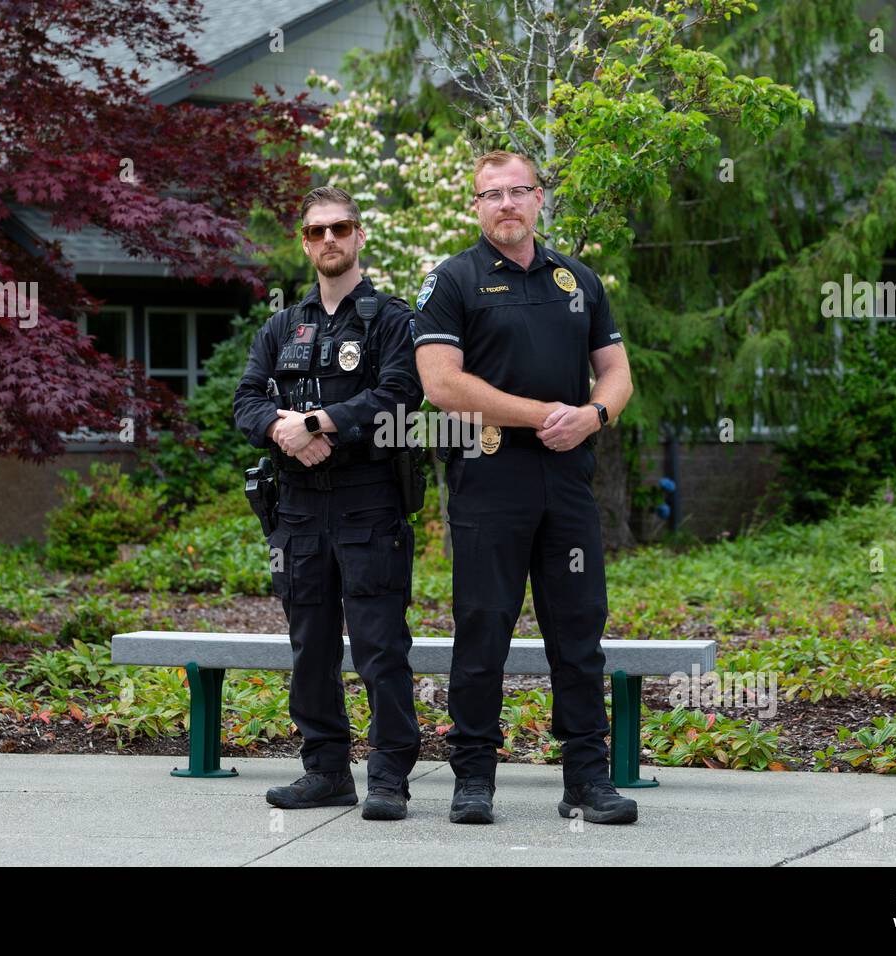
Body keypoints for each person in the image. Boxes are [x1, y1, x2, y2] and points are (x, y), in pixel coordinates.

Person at [413, 150, 637, 825]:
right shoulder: (452, 280)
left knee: (578, 627)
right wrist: (544, 414)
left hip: (568, 476)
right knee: (483, 624)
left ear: (540, 199)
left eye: (518, 191)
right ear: (475, 206)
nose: (506, 203)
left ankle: (586, 780)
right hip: (490, 476)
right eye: (491, 194)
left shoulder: (579, 280)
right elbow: (441, 384)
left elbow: (617, 371)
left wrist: (594, 415)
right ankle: (473, 777)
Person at [233, 186, 423, 821]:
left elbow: (400, 395)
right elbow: (246, 402)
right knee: (308, 645)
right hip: (299, 509)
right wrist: (282, 430)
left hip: (369, 505)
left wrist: (315, 423)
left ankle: (391, 776)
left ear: (359, 235)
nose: (329, 240)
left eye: (340, 228)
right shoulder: (281, 325)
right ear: (305, 242)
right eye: (316, 232)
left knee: (379, 646)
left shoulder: (390, 320)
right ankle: (325, 771)